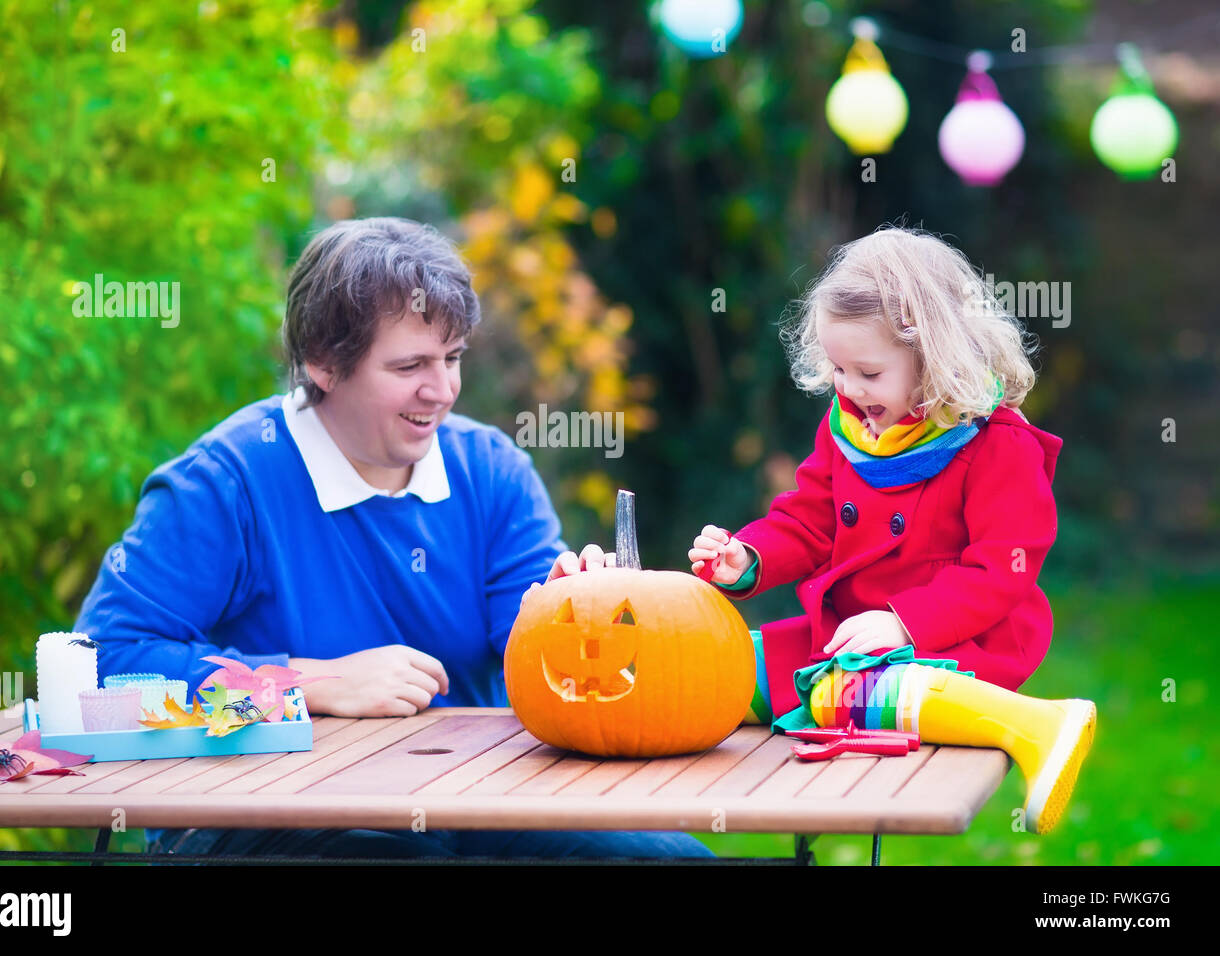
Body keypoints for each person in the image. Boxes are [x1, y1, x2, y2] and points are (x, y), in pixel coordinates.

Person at [73, 217, 712, 860]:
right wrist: (306, 683)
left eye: (453, 358)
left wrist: (571, 609)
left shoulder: (490, 470)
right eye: (410, 365)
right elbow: (98, 671)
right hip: (259, 815)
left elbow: (532, 650)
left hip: (468, 797)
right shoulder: (224, 483)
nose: (442, 390)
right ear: (324, 364)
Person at [683, 226, 1095, 834]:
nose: (848, 389)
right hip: (848, 636)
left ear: (933, 356)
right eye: (838, 368)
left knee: (850, 692)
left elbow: (998, 574)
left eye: (868, 374)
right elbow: (809, 517)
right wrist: (750, 557)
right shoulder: (850, 427)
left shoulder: (995, 442)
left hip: (955, 641)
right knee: (716, 667)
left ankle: (1040, 724)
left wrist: (903, 621)